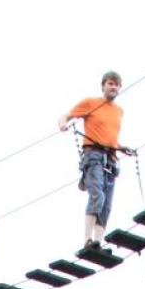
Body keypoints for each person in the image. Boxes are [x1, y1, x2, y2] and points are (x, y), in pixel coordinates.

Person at [58, 71, 132, 255]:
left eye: (116, 85)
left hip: (111, 159)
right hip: (94, 155)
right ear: (103, 86)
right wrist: (63, 124)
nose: (113, 87)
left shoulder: (119, 111)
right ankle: (87, 240)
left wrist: (121, 148)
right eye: (110, 83)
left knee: (106, 204)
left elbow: (109, 137)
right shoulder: (90, 103)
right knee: (97, 195)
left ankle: (97, 243)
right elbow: (65, 116)